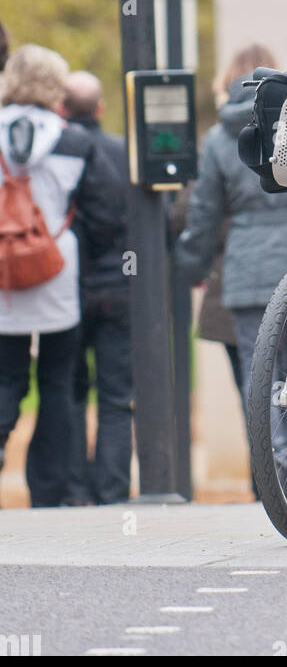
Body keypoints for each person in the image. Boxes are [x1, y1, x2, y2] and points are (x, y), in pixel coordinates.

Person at [172, 45, 287, 498]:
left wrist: (189, 268)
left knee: (258, 381)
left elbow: (202, 215)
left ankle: (271, 471)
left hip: (242, 271)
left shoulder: (218, 140)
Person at [0, 46, 123, 506]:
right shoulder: (74, 140)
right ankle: (50, 490)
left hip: (3, 278)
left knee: (7, 377)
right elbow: (106, 213)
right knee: (56, 380)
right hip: (56, 274)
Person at [62, 71, 132, 505]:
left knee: (69, 391)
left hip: (68, 289)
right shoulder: (125, 153)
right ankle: (111, 492)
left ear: (62, 109)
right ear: (101, 108)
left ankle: (72, 492)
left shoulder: (60, 152)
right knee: (116, 398)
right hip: (120, 291)